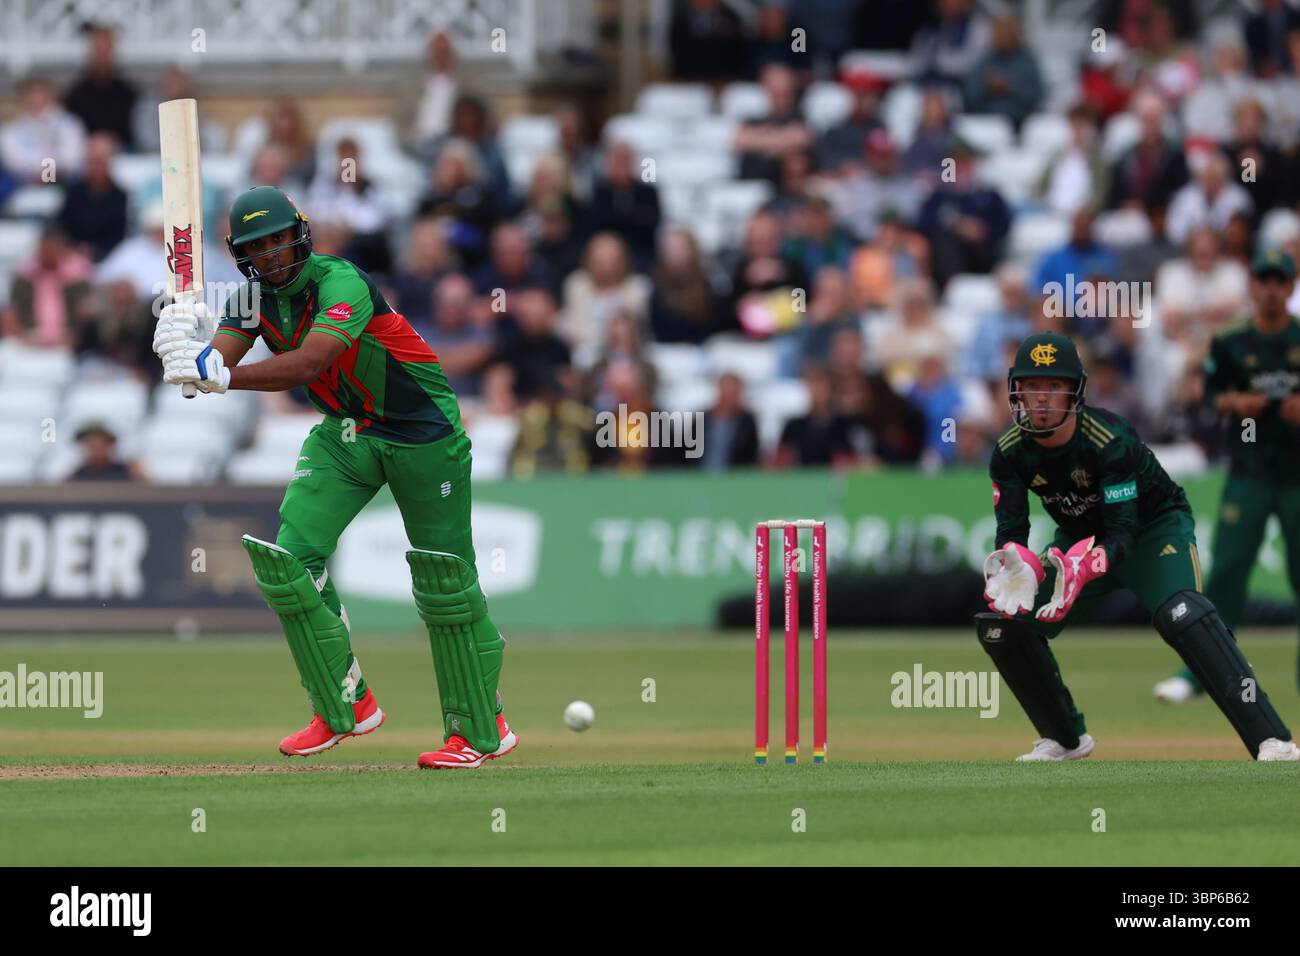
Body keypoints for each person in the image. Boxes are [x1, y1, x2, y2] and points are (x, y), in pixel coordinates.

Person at [152, 185, 518, 770]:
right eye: (257, 247)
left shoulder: (341, 281)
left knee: (445, 582)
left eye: (278, 240)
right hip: (347, 431)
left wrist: (216, 373)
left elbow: (308, 363)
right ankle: (344, 704)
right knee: (288, 563)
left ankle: (480, 729)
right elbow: (214, 366)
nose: (271, 255)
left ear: (299, 234)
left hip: (421, 430)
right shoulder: (249, 299)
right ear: (241, 254)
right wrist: (183, 347)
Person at [977, 331, 1298, 761]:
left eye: (1053, 387)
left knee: (1184, 615)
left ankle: (1272, 740)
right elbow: (1011, 531)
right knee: (1004, 625)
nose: (1041, 399)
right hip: (1077, 542)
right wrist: (1016, 566)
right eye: (1032, 386)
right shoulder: (1009, 452)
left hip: (1153, 530)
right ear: (1017, 390)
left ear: (1075, 393)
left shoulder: (1109, 439)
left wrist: (1087, 566)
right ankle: (1065, 738)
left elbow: (1124, 531)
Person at [1154, 250, 1300, 703]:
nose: (1272, 289)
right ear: (1253, 287)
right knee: (1229, 574)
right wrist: (1237, 404)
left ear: (1291, 287)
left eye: (1280, 281)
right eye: (1264, 280)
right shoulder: (1232, 341)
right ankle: (1199, 674)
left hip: (1297, 476)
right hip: (1250, 472)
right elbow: (1209, 394)